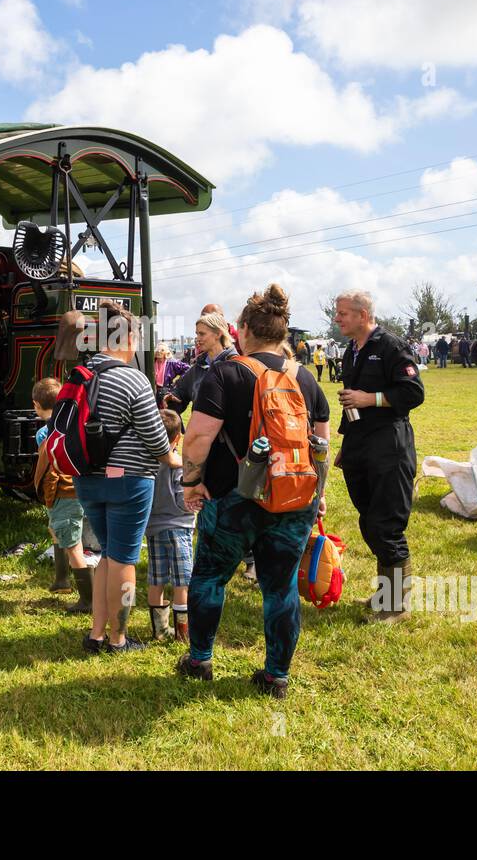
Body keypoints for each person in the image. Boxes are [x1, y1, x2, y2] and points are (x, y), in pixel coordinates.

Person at [177, 285, 331, 698]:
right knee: (279, 587)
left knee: (210, 577)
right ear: (282, 333)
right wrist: (317, 498)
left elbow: (196, 440)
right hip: (294, 498)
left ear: (242, 330)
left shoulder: (224, 374)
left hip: (233, 498)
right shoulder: (306, 379)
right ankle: (276, 675)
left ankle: (200, 659)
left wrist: (192, 483)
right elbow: (320, 446)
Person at [74, 302, 171, 654]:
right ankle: (119, 638)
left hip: (87, 480)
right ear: (127, 337)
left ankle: (96, 634)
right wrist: (173, 458)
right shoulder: (133, 379)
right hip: (129, 482)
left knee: (107, 556)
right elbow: (156, 437)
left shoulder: (81, 374)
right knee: (125, 560)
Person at [334, 290, 424, 624]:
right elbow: (350, 401)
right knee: (369, 520)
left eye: (342, 313)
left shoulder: (391, 346)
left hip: (389, 446)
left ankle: (396, 606)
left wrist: (370, 398)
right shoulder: (351, 350)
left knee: (386, 525)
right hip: (360, 445)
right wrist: (347, 443)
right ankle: (384, 594)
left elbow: (414, 392)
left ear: (362, 314)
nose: (337, 318)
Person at [32, 377, 94, 614]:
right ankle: (62, 581)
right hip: (71, 492)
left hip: (63, 493)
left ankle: (88, 601)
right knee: (59, 532)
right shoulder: (72, 425)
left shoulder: (44, 434)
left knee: (73, 546)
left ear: (36, 404)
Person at [145, 408, 193, 642]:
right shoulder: (178, 464)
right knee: (181, 582)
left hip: (153, 528)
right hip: (179, 528)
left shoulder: (147, 463)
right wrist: (195, 505)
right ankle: (183, 633)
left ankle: (159, 631)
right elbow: (182, 499)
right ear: (177, 439)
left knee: (157, 579)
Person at [164, 312, 235, 417]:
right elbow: (181, 390)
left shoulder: (234, 364)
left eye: (202, 334)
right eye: (197, 334)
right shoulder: (199, 366)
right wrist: (173, 397)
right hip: (198, 431)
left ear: (218, 334)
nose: (197, 338)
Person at [152, 342, 188, 407]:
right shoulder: (153, 361)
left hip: (166, 392)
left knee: (167, 413)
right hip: (153, 391)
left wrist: (179, 381)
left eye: (162, 350)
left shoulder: (172, 362)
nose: (159, 352)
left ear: (166, 352)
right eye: (157, 350)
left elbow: (188, 369)